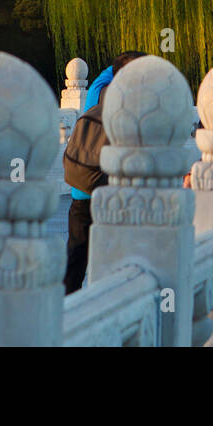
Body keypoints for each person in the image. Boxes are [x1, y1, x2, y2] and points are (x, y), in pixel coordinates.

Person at [63, 50, 145, 294]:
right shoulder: (132, 102)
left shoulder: (97, 90)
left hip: (81, 190)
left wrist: (120, 66)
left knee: (75, 259)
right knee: (110, 262)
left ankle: (68, 312)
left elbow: (109, 72)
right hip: (110, 194)